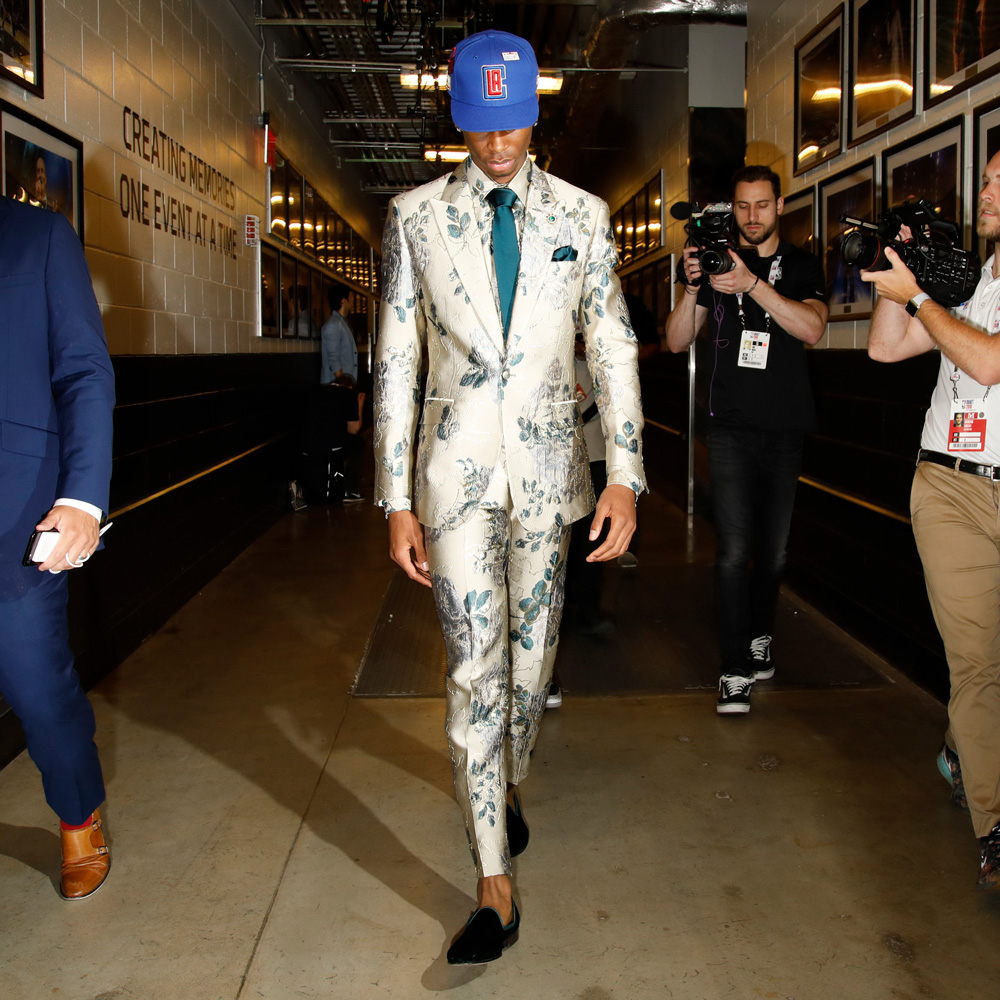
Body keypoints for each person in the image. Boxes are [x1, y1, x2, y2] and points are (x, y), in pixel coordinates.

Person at [373, 29, 645, 965]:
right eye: (483, 127)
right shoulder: (414, 218)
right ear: (459, 118)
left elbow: (610, 346)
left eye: (515, 125)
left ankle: (506, 775)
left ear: (536, 114)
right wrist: (394, 498)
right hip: (452, 483)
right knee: (471, 675)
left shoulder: (584, 216)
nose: (499, 145)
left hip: (550, 478)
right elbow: (398, 360)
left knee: (529, 672)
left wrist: (627, 473)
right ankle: (495, 882)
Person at [863, 148, 1000, 891]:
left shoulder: (954, 300)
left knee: (988, 668)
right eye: (987, 178)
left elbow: (987, 363)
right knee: (978, 664)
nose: (986, 190)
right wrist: (898, 274)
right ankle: (996, 827)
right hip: (950, 486)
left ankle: (961, 747)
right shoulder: (973, 283)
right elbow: (885, 348)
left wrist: (918, 298)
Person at [665, 165, 828, 714]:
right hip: (729, 428)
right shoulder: (714, 263)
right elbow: (674, 340)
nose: (751, 217)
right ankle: (734, 668)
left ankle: (760, 632)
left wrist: (753, 284)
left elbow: (811, 328)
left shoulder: (802, 264)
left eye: (761, 205)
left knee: (773, 553)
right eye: (742, 206)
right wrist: (693, 289)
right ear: (731, 209)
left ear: (780, 205)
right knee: (734, 552)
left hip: (785, 428)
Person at [0, 196, 116, 899]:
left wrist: (80, 498)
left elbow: (83, 371)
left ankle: (80, 819)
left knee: (40, 690)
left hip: (16, 519)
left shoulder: (36, 235)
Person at [320, 283, 357, 384]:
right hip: (338, 387)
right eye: (351, 296)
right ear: (343, 301)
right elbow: (334, 359)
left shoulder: (341, 323)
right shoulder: (333, 325)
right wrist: (343, 384)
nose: (353, 299)